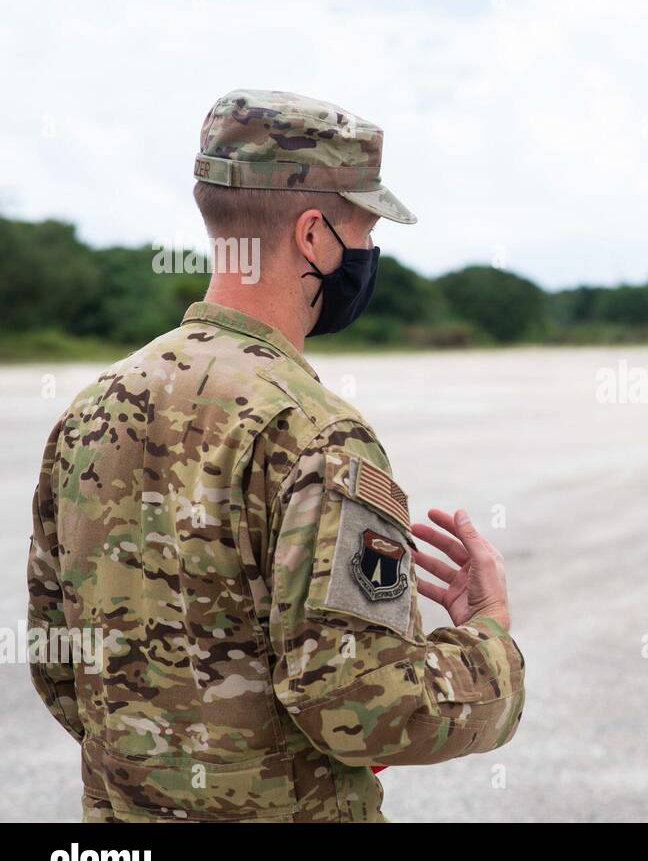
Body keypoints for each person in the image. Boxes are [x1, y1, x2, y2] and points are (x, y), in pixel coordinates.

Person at [26, 89, 524, 822]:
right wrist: (489, 637)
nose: (367, 254)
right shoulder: (316, 430)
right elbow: (364, 706)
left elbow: (59, 661)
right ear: (315, 236)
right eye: (363, 229)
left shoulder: (90, 411)